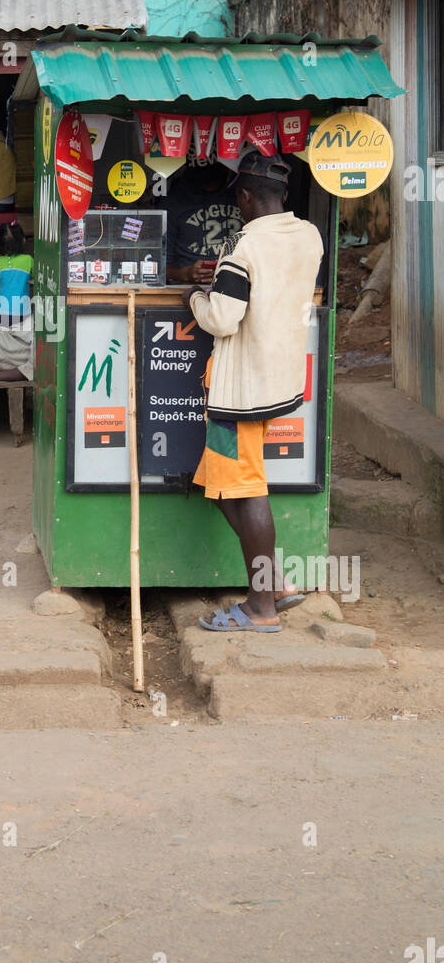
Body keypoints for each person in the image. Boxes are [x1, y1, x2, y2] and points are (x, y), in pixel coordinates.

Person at [182, 150, 323, 632]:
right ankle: (278, 580)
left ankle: (260, 608)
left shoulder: (242, 248)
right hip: (280, 382)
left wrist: (196, 296)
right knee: (216, 484)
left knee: (246, 491)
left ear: (244, 197)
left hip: (240, 394)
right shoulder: (309, 236)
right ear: (282, 196)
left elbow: (223, 318)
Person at [165, 155, 244, 285]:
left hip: (238, 289)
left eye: (215, 183)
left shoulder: (241, 196)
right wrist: (185, 274)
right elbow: (157, 269)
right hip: (188, 291)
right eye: (203, 184)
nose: (209, 189)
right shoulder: (174, 202)